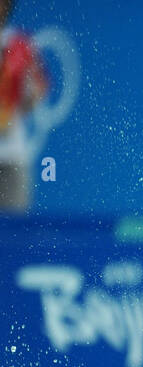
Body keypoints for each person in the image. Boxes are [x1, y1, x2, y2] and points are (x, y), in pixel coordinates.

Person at [0, 0, 49, 212]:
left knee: (14, 237)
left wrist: (22, 102)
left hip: (12, 156)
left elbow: (39, 91)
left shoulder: (20, 45)